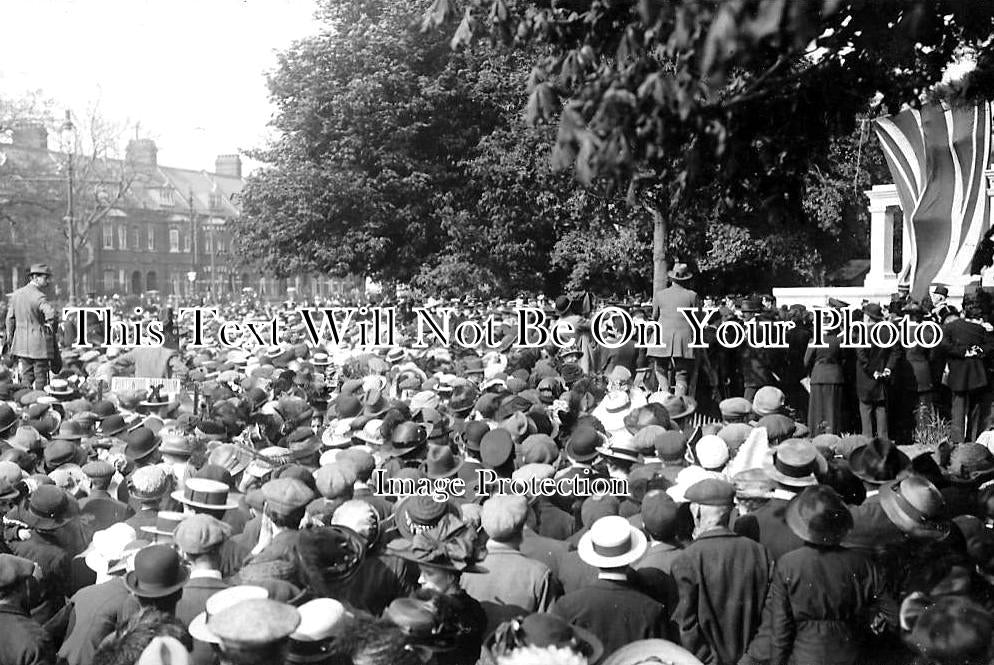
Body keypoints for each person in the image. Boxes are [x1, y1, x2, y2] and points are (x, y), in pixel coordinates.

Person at [768, 485, 888, 665]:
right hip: (852, 652)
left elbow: (781, 626)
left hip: (805, 655)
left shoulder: (789, 564)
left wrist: (777, 661)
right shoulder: (862, 562)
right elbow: (890, 611)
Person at [672, 479, 770, 665]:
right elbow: (770, 614)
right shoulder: (759, 552)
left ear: (697, 512)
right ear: (731, 512)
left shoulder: (687, 559)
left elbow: (685, 626)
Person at [5, 263, 59, 390]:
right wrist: (52, 329)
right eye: (45, 278)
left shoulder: (17, 295)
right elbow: (51, 315)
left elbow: (9, 319)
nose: (47, 281)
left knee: (26, 376)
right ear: (35, 277)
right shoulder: (39, 296)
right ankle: (41, 403)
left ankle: (25, 401)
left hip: (21, 343)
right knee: (41, 376)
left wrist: (11, 339)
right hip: (39, 345)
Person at [647, 263, 698, 396]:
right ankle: (678, 401)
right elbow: (697, 319)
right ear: (686, 279)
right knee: (682, 373)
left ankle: (665, 393)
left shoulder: (660, 295)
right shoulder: (692, 295)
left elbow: (655, 316)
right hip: (684, 339)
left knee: (660, 368)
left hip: (662, 337)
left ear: (672, 279)